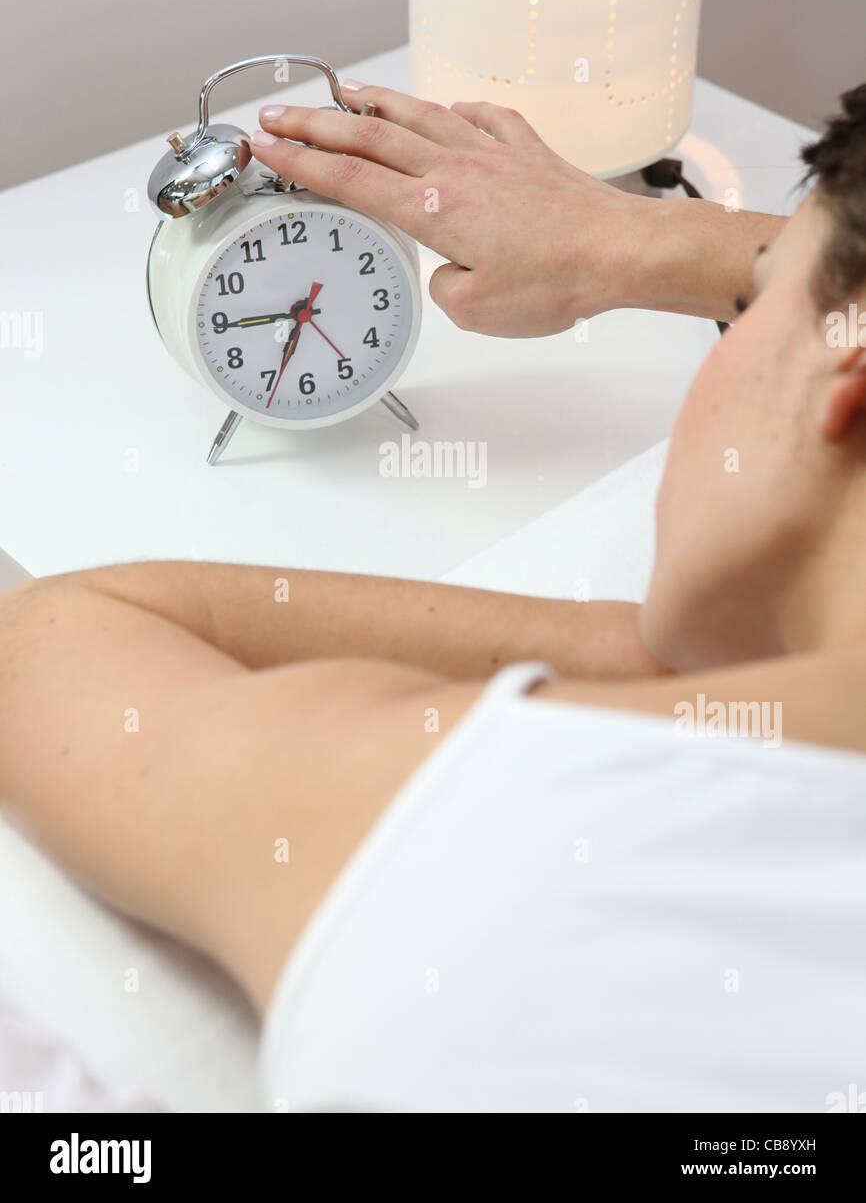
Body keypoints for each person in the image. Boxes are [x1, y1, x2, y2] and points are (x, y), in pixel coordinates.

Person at [2, 83, 865, 1112]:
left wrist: (678, 657)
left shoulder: (493, 820)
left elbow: (47, 638)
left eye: (750, 298)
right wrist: (633, 239)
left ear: (844, 377)